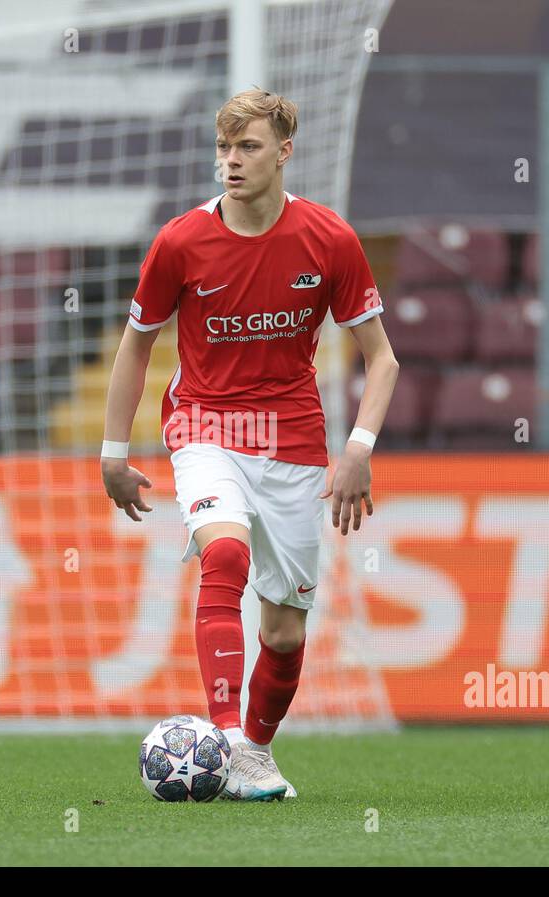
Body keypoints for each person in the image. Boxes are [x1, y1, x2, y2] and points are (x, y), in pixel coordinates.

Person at [101, 89, 399, 800]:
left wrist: (358, 447)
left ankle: (257, 753)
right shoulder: (179, 242)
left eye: (249, 148)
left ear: (284, 152)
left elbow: (381, 357)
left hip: (294, 442)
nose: (231, 162)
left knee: (287, 634)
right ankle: (226, 736)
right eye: (224, 149)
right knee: (224, 551)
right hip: (205, 426)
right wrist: (114, 451)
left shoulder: (329, 241)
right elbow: (136, 347)